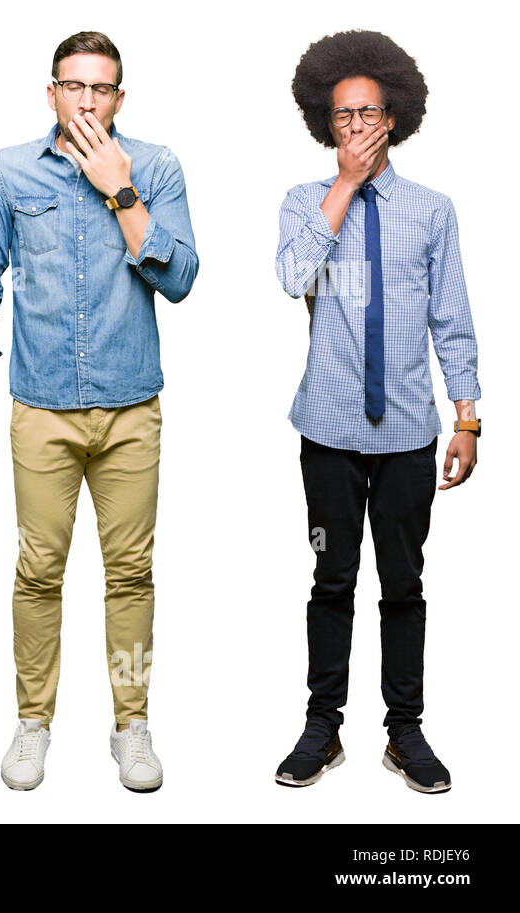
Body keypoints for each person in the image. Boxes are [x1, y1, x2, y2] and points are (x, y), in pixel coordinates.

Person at [0, 31, 198, 792]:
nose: (87, 100)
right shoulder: (7, 172)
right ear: (50, 91)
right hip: (41, 408)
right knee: (39, 569)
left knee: (130, 573)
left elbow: (182, 277)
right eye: (74, 86)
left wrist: (121, 189)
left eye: (102, 88)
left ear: (121, 97)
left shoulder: (154, 167)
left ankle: (132, 723)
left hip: (129, 410)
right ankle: (32, 722)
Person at [273, 30, 480, 794]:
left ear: (392, 117)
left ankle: (405, 729)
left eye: (367, 113)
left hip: (406, 436)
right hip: (326, 430)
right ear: (326, 125)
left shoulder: (432, 212)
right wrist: (342, 189)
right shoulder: (304, 202)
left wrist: (468, 416)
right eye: (341, 116)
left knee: (404, 583)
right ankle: (322, 726)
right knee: (331, 579)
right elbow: (292, 273)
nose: (354, 127)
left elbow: (451, 318)